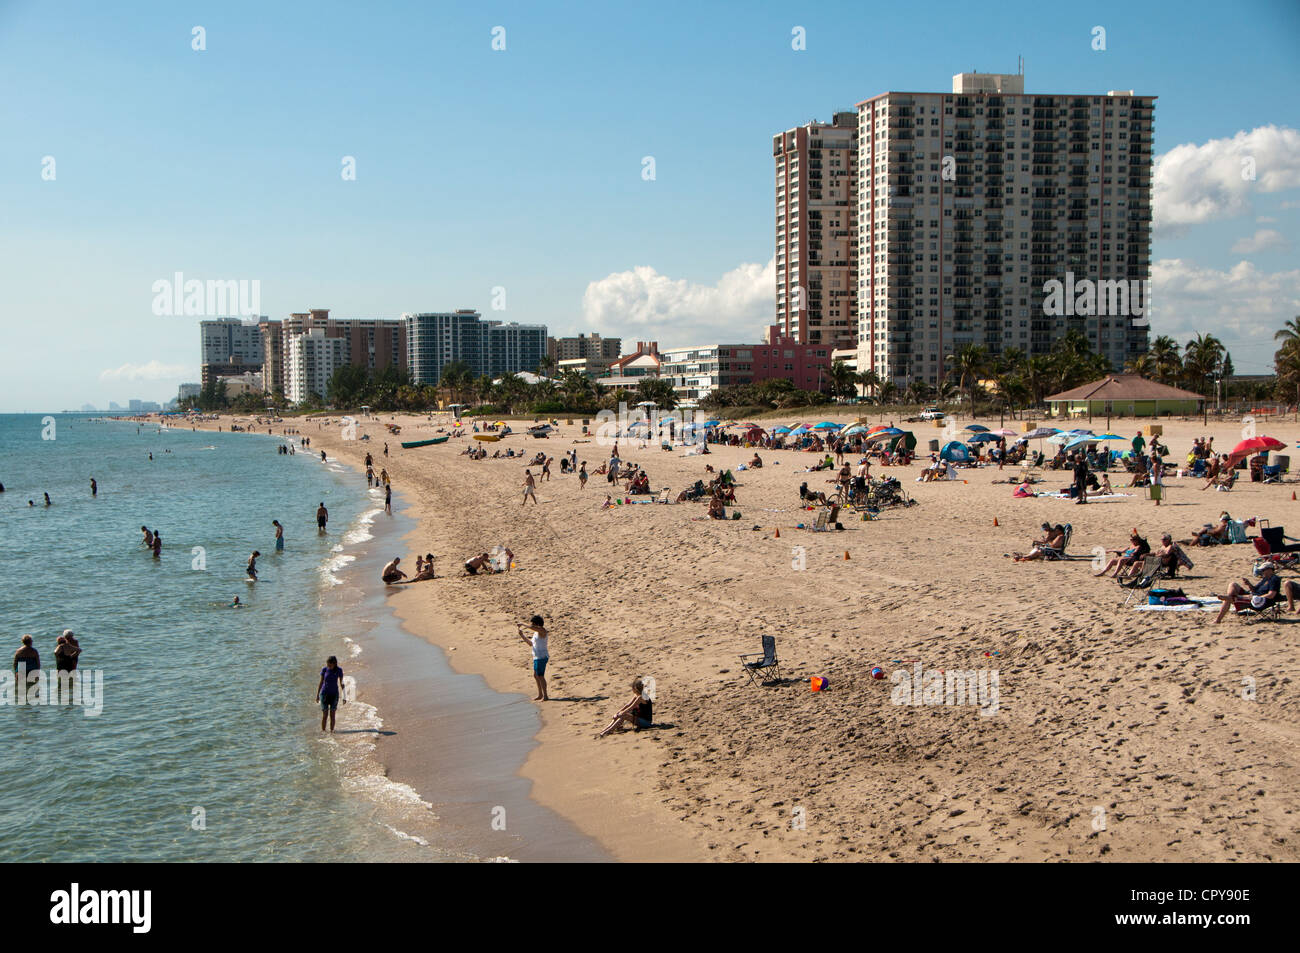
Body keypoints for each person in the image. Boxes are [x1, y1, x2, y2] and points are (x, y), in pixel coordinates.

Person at [1215, 563, 1282, 623]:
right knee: (1233, 584)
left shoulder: (1274, 579)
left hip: (1260, 601)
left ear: (1269, 570)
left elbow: (1271, 595)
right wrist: (1249, 584)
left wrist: (1256, 597)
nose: (1262, 572)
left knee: (1227, 600)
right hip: (1253, 596)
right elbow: (1255, 590)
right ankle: (1231, 596)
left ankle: (1218, 619)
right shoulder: (1265, 579)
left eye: (1263, 570)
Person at [517, 615, 549, 701]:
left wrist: (522, 624)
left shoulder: (543, 630)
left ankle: (545, 696)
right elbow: (531, 644)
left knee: (540, 676)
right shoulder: (535, 633)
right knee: (536, 675)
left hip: (542, 657)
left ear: (537, 624)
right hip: (536, 656)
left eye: (533, 624)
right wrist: (522, 635)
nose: (532, 625)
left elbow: (531, 627)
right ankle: (540, 694)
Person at [316, 656, 346, 732]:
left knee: (332, 715)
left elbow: (342, 683)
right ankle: (323, 732)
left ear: (334, 664)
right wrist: (317, 695)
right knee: (325, 715)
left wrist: (344, 696)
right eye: (327, 665)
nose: (328, 666)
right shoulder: (324, 670)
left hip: (334, 695)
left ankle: (332, 732)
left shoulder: (339, 670)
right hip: (324, 694)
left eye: (330, 665)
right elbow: (321, 682)